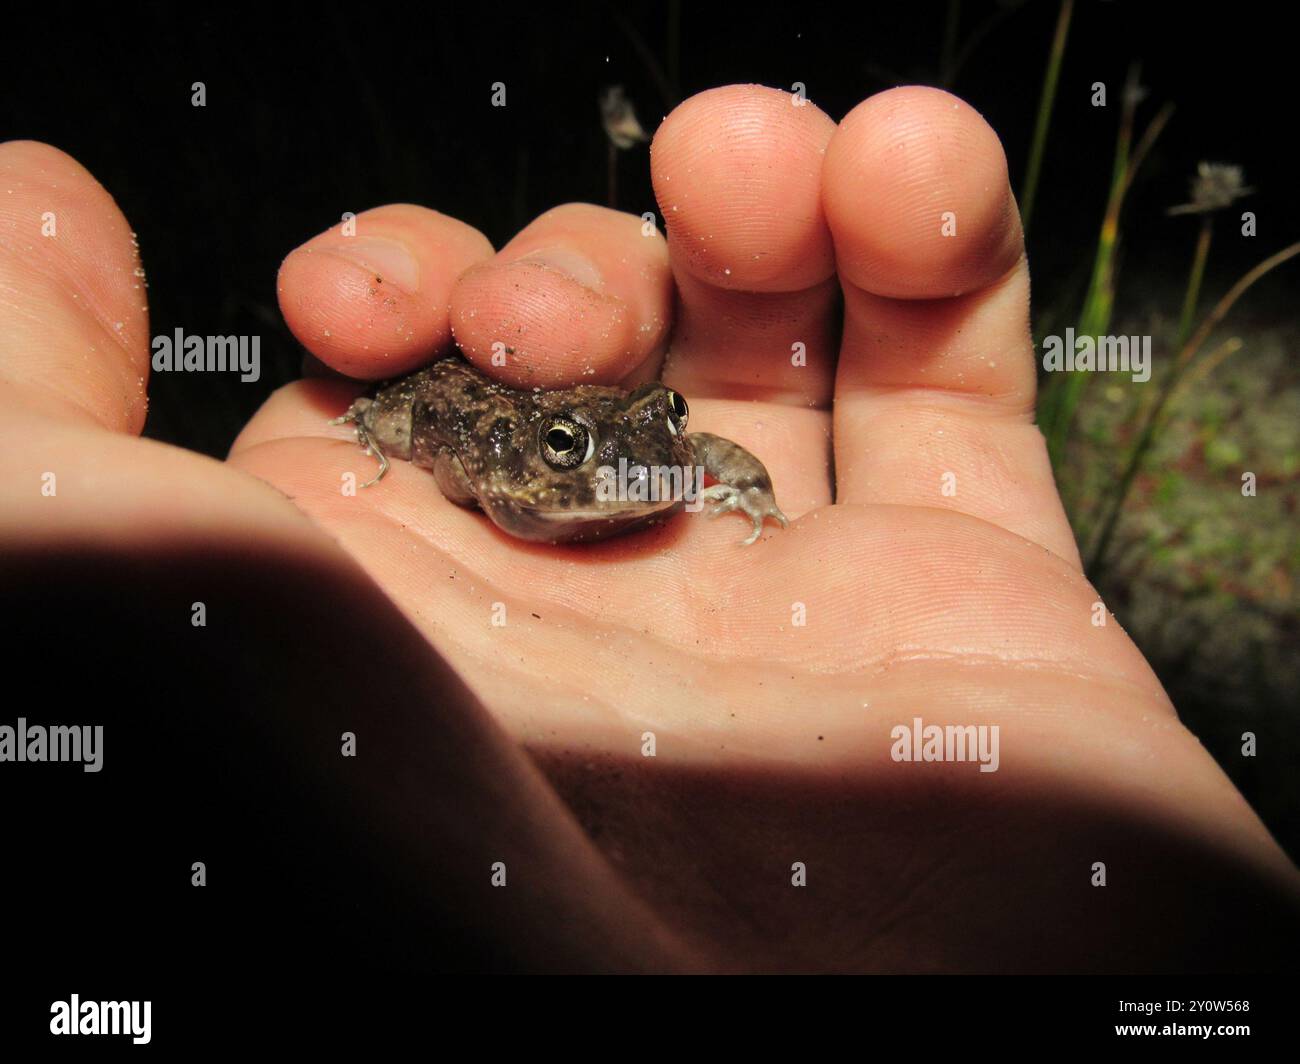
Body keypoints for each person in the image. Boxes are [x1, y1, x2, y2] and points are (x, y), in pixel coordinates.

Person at [3, 84, 1296, 972]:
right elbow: (409, 414)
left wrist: (748, 498)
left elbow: (695, 449)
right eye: (575, 449)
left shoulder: (658, 461)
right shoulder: (475, 446)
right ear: (528, 455)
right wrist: (375, 439)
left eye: (661, 438)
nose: (640, 470)